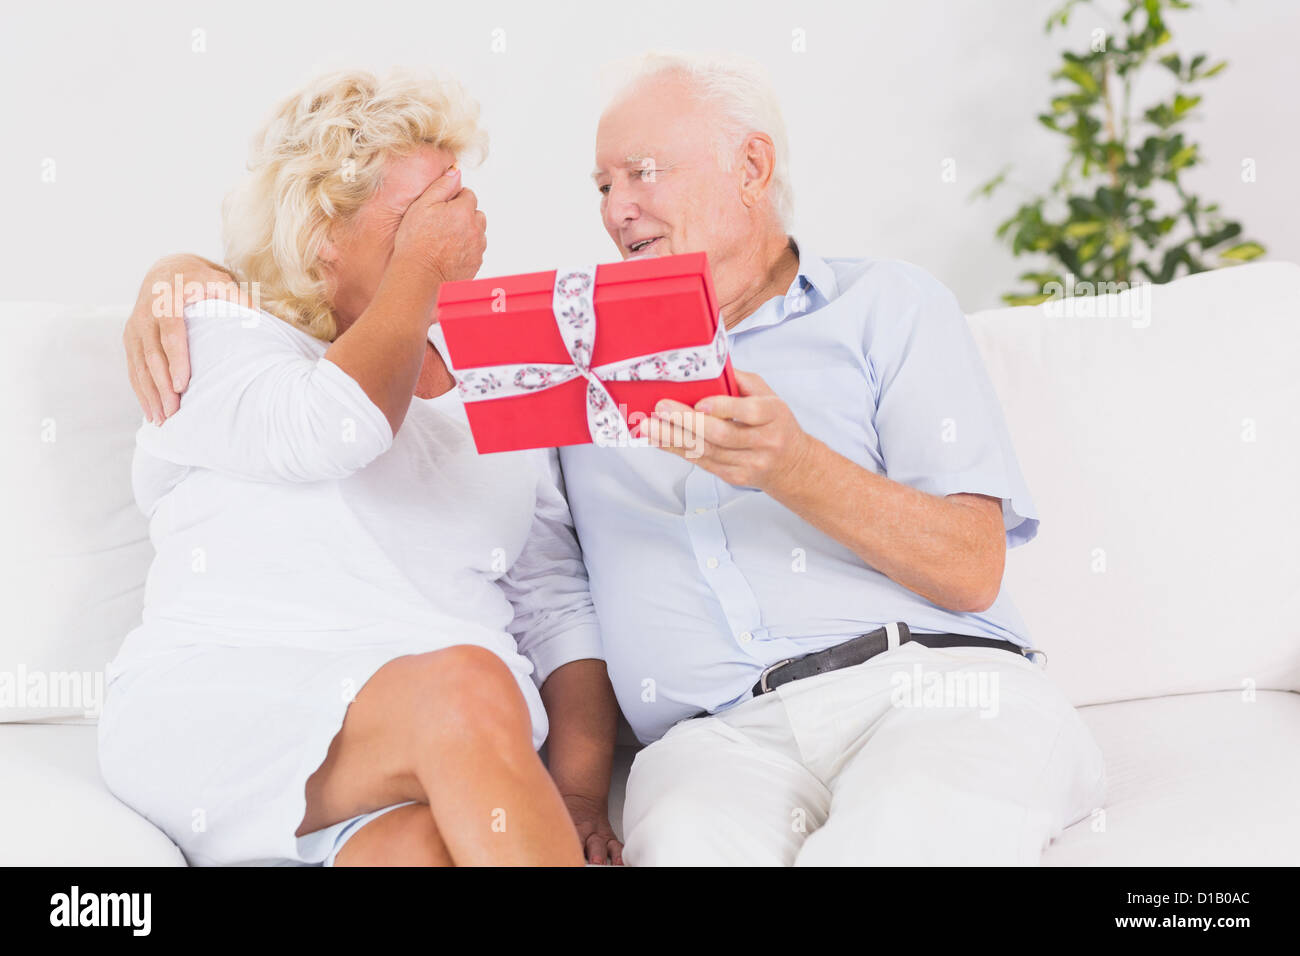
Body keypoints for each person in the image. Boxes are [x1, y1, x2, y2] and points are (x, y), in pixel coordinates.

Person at [123, 53, 1106, 866]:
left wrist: (792, 464)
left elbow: (973, 566)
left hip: (923, 686)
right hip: (698, 741)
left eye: (644, 173)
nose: (617, 209)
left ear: (751, 167)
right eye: (602, 185)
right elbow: (352, 440)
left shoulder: (886, 306)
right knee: (584, 774)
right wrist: (189, 272)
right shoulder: (512, 352)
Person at [100, 68, 622, 867]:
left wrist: (580, 793)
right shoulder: (218, 333)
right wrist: (422, 269)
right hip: (232, 709)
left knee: (431, 847)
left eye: (458, 197)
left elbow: (552, 600)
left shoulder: (500, 378)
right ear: (322, 235)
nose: (460, 225)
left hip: (429, 761)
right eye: (423, 212)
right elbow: (333, 428)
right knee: (467, 685)